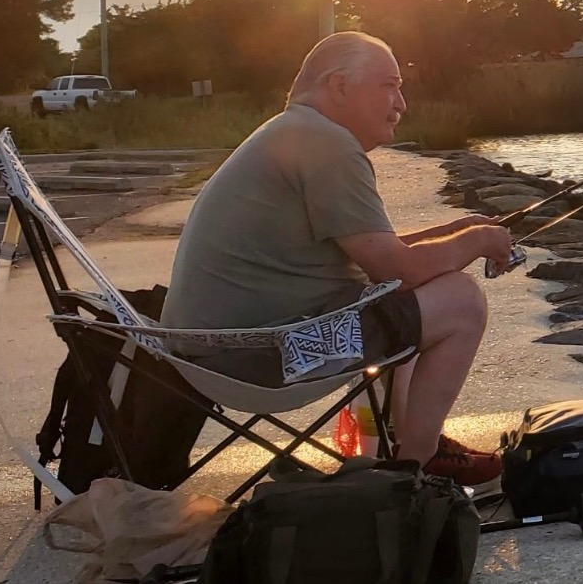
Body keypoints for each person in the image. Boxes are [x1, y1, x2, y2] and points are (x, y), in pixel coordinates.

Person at [161, 31, 514, 486]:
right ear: (340, 86)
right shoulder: (327, 144)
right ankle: (416, 469)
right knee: (461, 301)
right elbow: (397, 270)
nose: (401, 102)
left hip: (217, 349)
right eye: (389, 85)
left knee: (408, 300)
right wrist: (479, 240)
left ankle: (414, 440)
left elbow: (372, 252)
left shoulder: (297, 132)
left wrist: (450, 234)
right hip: (259, 356)